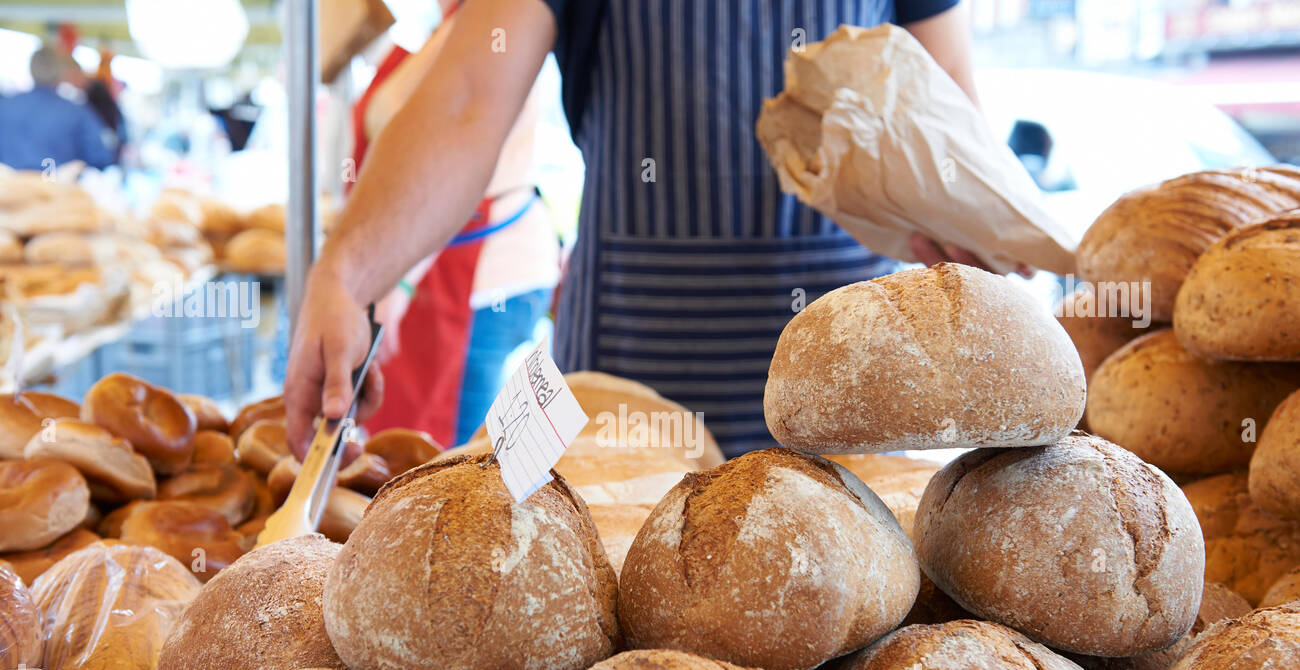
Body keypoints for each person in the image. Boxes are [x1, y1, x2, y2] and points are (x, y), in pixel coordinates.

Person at [287, 0, 1006, 460]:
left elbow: (945, 99)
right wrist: (346, 276)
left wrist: (980, 216)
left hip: (843, 372)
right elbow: (467, 100)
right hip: (626, 373)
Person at [353, 0, 561, 446]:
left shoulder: (498, 23)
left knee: (460, 464)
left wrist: (397, 279)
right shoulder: (451, 29)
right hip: (453, 268)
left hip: (486, 276)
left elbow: (460, 170)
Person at [0, 46, 115, 171]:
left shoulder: (5, 106)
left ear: (31, 70)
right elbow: (101, 157)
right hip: (56, 187)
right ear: (59, 72)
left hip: (8, 187)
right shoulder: (77, 112)